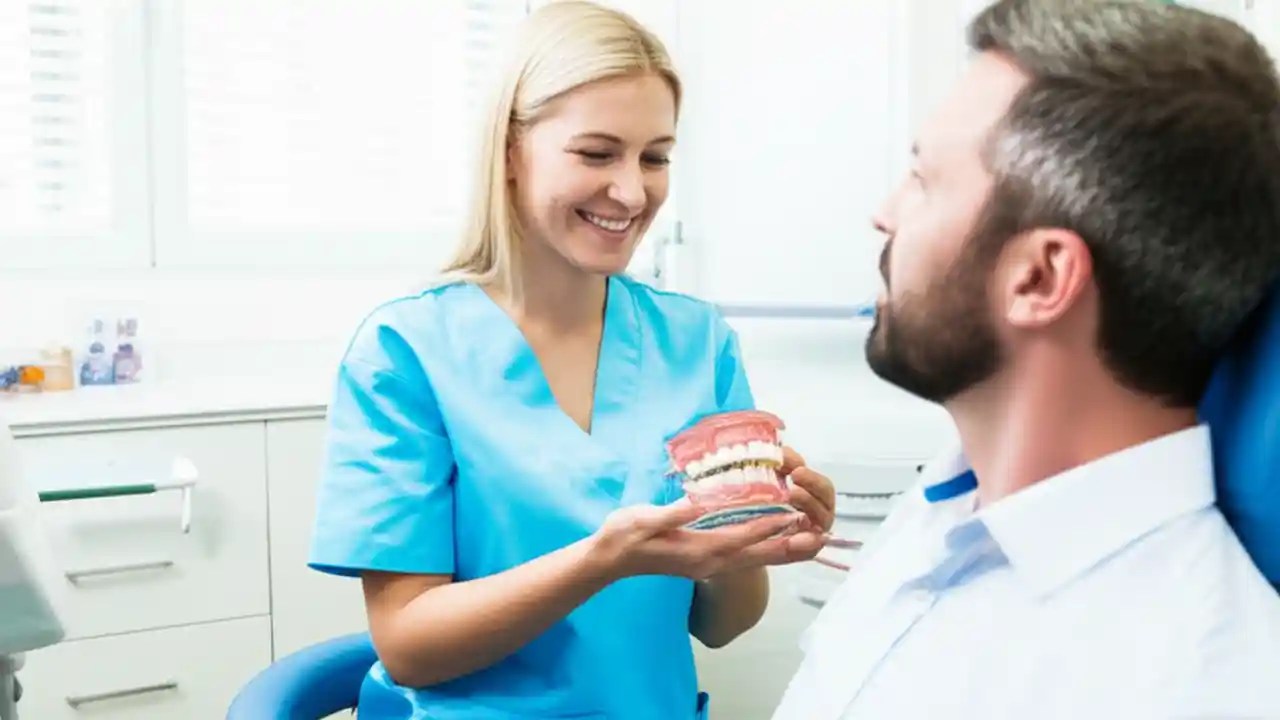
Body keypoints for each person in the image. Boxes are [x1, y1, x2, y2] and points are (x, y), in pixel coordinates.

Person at [307, 2, 837, 718]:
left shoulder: (696, 342)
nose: (631, 190)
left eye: (655, 157)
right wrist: (603, 559)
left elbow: (723, 623)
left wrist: (759, 541)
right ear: (510, 152)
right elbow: (408, 643)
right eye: (596, 153)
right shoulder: (407, 353)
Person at [772, 1, 1280, 718]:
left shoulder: (1198, 684)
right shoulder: (944, 516)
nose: (886, 213)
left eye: (923, 180)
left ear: (1038, 278)